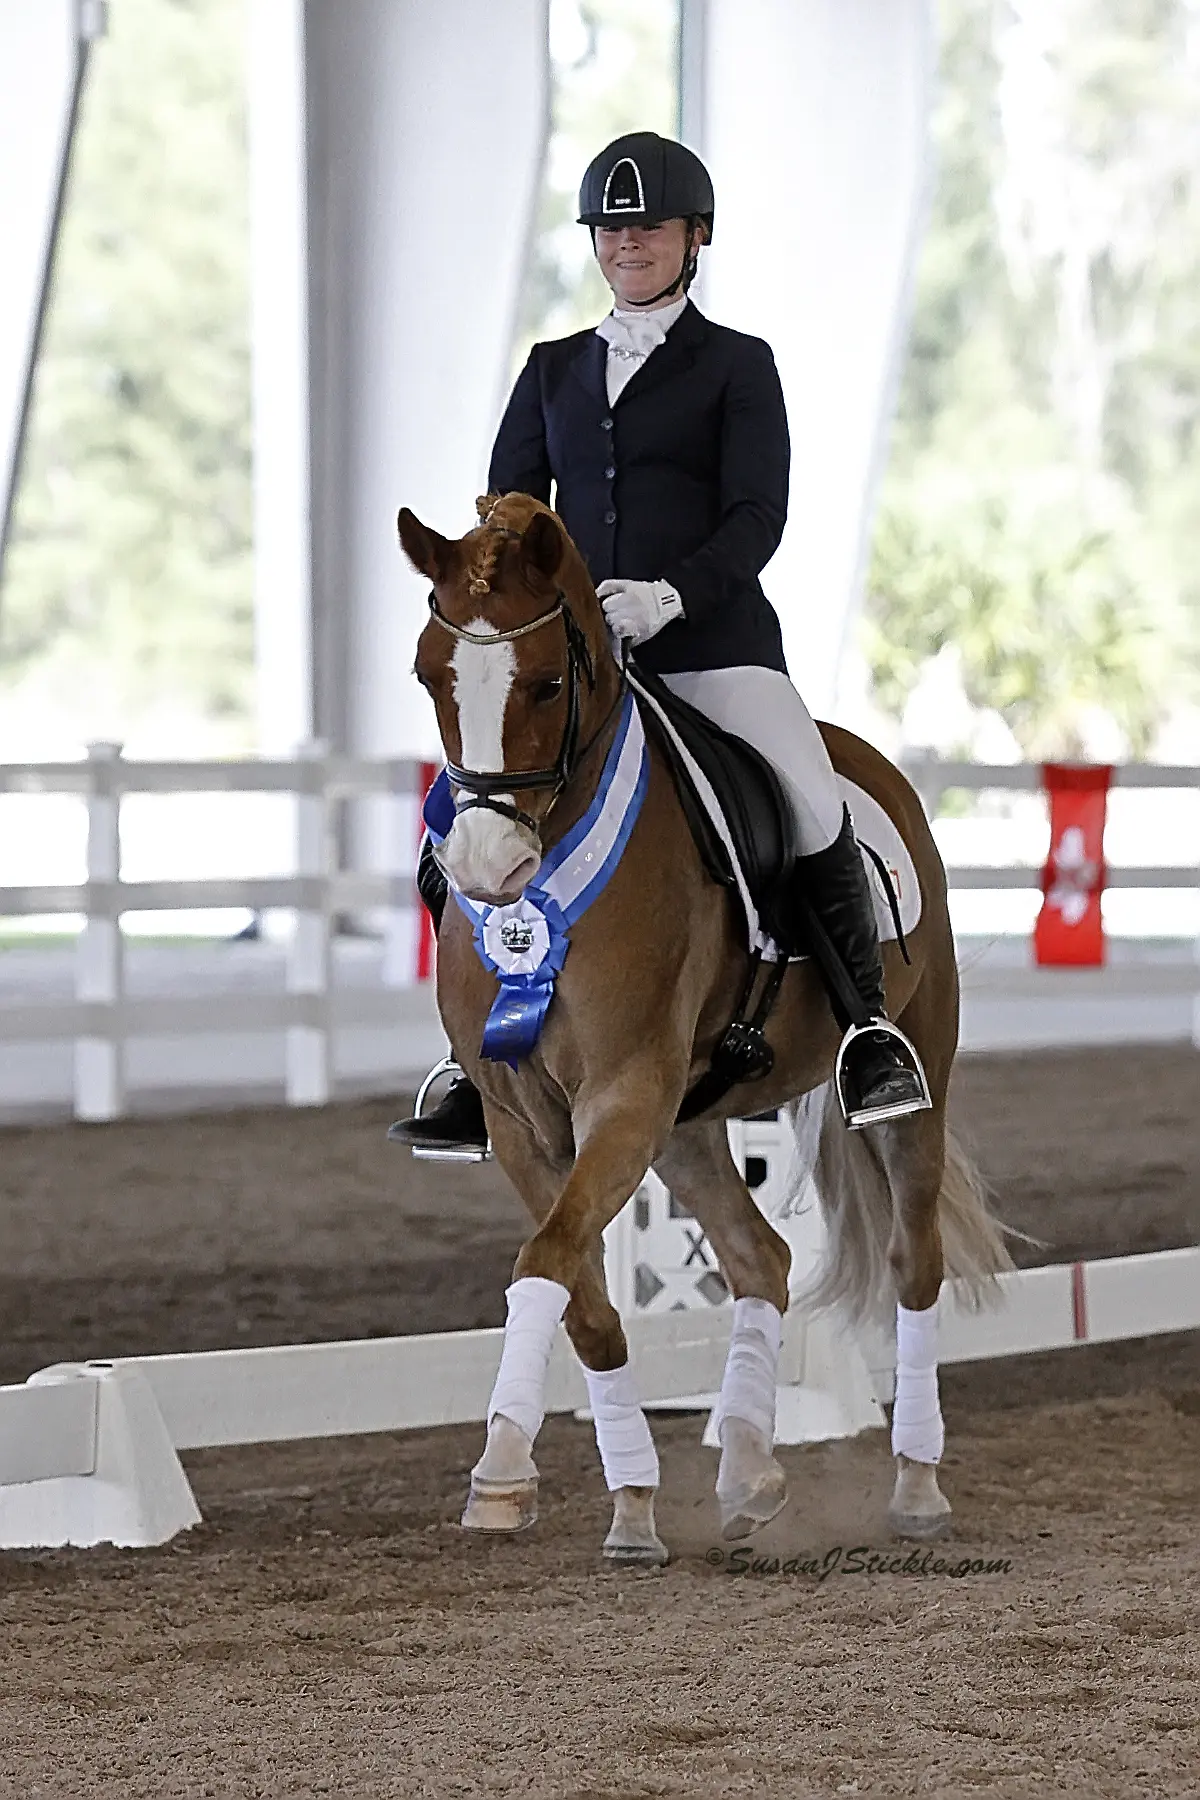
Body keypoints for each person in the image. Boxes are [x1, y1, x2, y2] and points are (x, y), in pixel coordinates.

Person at [392, 130, 928, 1154]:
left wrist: (671, 598)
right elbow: (509, 514)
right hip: (581, 670)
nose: (627, 243)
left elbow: (756, 516)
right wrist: (524, 598)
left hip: (715, 647)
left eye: (648, 227)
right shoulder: (552, 371)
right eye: (611, 227)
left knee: (813, 805)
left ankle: (864, 1030)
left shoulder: (736, 366)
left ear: (695, 238)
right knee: (448, 830)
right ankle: (471, 1063)